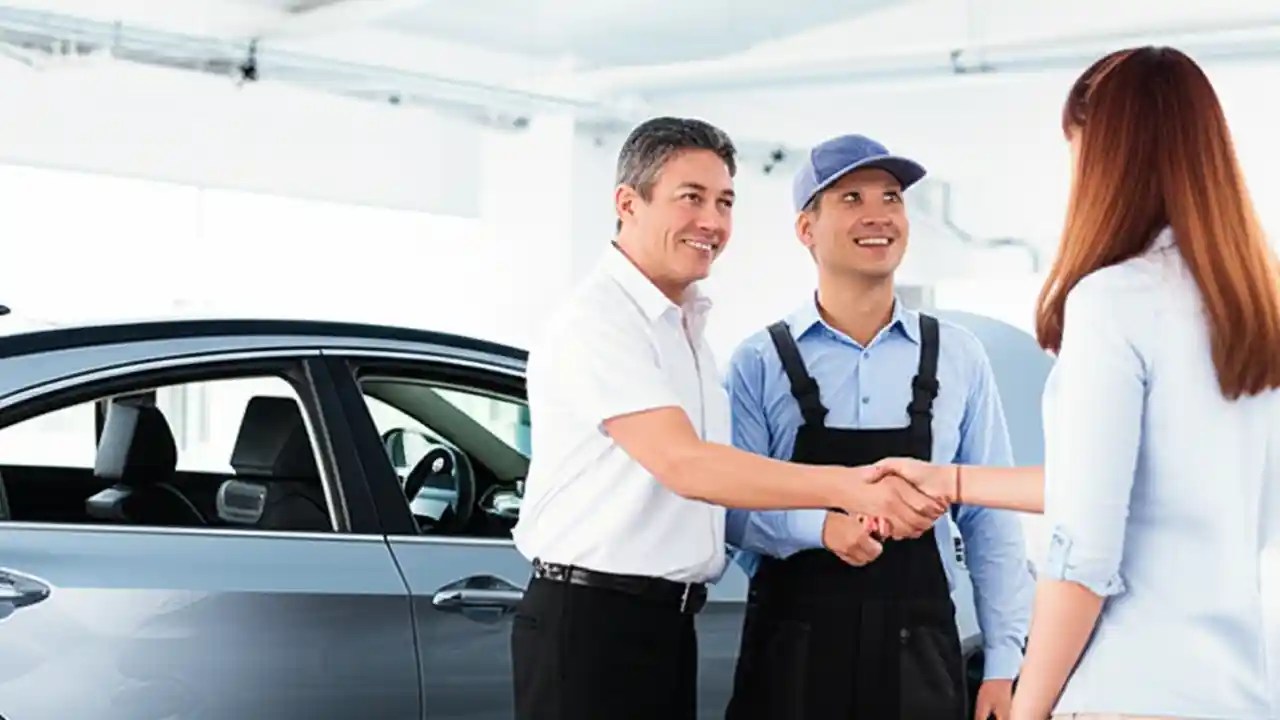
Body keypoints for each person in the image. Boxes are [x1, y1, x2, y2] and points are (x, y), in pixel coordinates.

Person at [882, 46, 1280, 720]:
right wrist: (950, 481)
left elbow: (1085, 550)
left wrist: (1030, 703)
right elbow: (1143, 488)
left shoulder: (1114, 300)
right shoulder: (1255, 308)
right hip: (1240, 689)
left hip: (1130, 690)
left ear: (1109, 156)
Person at [508, 116, 949, 720]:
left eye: (725, 202)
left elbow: (728, 494)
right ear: (627, 203)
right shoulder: (601, 322)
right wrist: (847, 487)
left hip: (665, 624)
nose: (712, 223)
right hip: (592, 624)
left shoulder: (687, 329)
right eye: (691, 198)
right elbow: (689, 466)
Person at [720, 133, 1033, 720]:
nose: (878, 215)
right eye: (851, 198)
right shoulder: (759, 361)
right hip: (793, 656)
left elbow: (992, 519)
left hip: (918, 657)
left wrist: (1004, 663)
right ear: (805, 229)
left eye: (891, 197)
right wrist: (820, 528)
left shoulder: (957, 357)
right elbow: (730, 507)